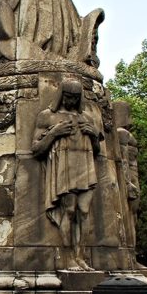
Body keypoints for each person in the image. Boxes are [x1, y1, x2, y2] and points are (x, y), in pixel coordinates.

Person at [30, 78, 103, 270]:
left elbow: (97, 150)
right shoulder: (47, 116)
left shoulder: (87, 117)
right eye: (68, 97)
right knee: (69, 211)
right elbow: (36, 148)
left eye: (75, 98)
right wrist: (55, 133)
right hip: (64, 167)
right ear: (61, 95)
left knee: (85, 212)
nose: (71, 101)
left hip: (85, 166)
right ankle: (68, 257)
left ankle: (81, 257)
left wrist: (94, 135)